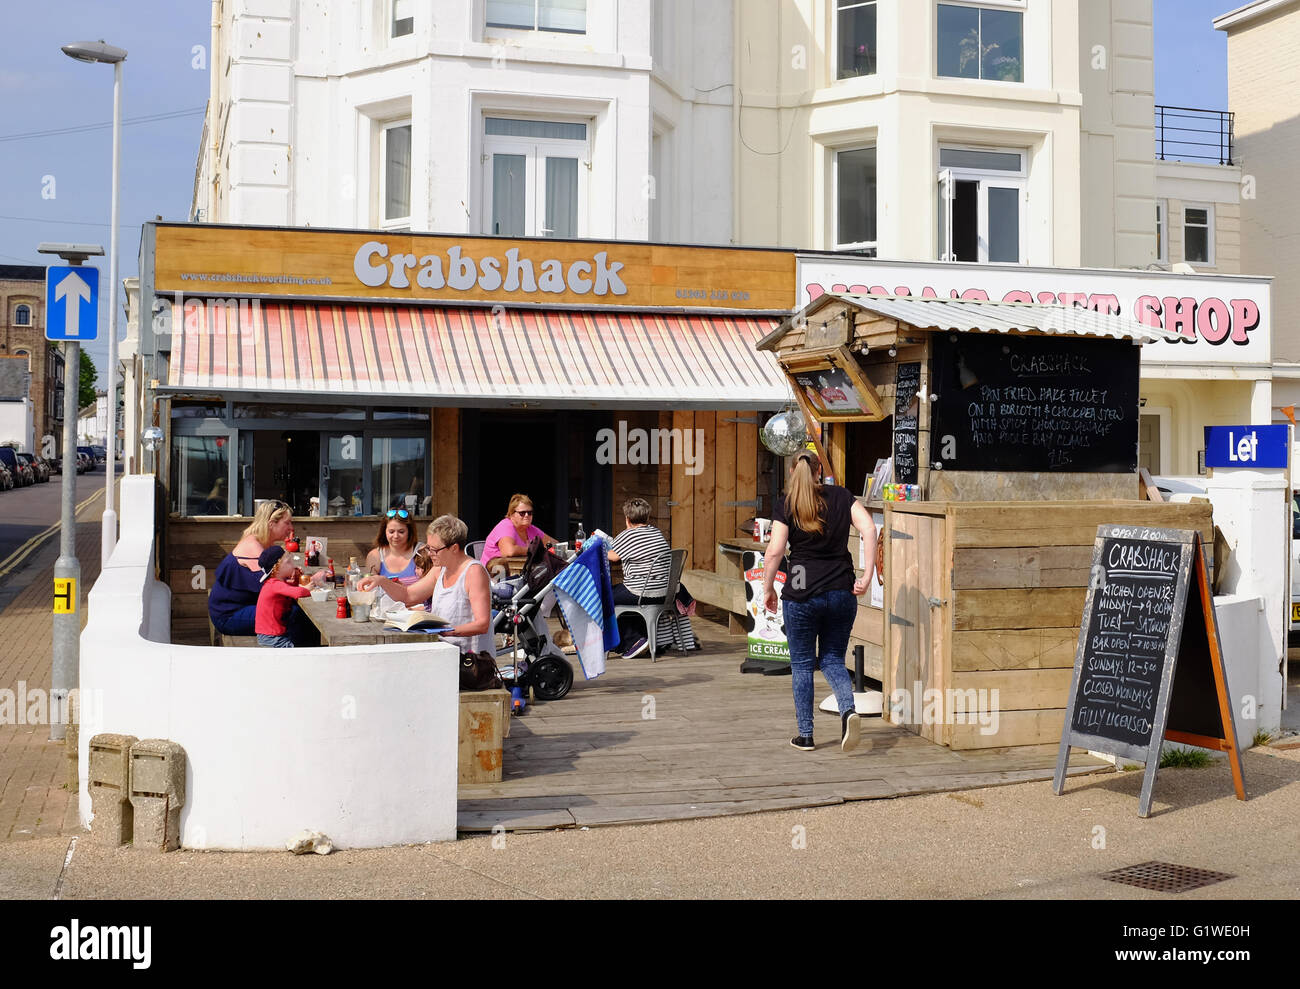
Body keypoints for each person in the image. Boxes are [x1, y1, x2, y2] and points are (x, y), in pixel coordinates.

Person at [762, 452, 877, 753]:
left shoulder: (786, 504)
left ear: (791, 472)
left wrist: (767, 589)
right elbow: (869, 528)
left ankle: (806, 735)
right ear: (820, 471)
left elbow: (774, 552)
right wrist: (867, 575)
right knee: (832, 660)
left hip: (801, 593)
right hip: (841, 589)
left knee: (802, 665)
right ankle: (848, 710)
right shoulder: (841, 496)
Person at [359, 515, 494, 656]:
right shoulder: (440, 569)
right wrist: (381, 580)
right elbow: (408, 596)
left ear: (454, 548)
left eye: (434, 550)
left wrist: (446, 631)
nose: (429, 554)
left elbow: (482, 624)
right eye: (429, 548)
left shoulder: (474, 572)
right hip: (445, 653)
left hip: (472, 662)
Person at [606, 497, 694, 658]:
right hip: (666, 592)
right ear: (647, 517)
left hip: (642, 592)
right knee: (617, 594)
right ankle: (644, 638)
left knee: (604, 597)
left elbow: (612, 557)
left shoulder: (628, 535)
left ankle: (632, 641)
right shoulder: (657, 532)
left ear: (627, 519)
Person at [209, 500, 295, 638]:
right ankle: (296, 654)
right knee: (290, 613)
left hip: (237, 607)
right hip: (229, 615)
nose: (291, 528)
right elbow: (273, 587)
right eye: (287, 523)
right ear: (271, 524)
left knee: (291, 611)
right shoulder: (254, 548)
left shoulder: (262, 541)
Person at [255, 546, 325, 648]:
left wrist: (297, 576)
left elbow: (290, 586)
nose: (293, 565)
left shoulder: (276, 583)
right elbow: (297, 593)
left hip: (273, 634)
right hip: (272, 638)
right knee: (297, 655)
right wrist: (308, 589)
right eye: (288, 562)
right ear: (276, 569)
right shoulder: (274, 585)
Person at [365, 507, 427, 608]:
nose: (396, 536)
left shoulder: (421, 552)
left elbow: (430, 587)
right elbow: (371, 591)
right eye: (391, 531)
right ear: (384, 531)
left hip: (417, 612)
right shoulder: (375, 556)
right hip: (386, 612)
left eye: (401, 532)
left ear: (410, 532)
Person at [481, 494, 555, 572]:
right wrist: (533, 549)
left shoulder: (530, 528)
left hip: (517, 572)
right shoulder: (505, 526)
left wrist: (540, 549)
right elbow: (509, 551)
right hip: (494, 575)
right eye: (522, 513)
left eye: (529, 512)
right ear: (511, 514)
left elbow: (555, 544)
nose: (527, 515)